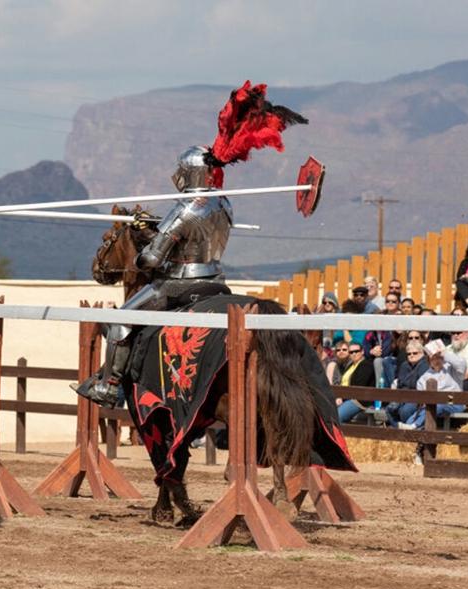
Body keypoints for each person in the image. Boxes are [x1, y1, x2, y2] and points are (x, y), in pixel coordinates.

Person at [78, 82, 307, 406]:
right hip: (215, 280)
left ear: (189, 173)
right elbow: (196, 239)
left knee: (119, 319)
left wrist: (149, 241)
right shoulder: (224, 204)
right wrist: (155, 227)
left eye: (181, 170)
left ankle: (111, 385)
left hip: (180, 284)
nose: (177, 174)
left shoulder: (184, 208)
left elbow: (150, 261)